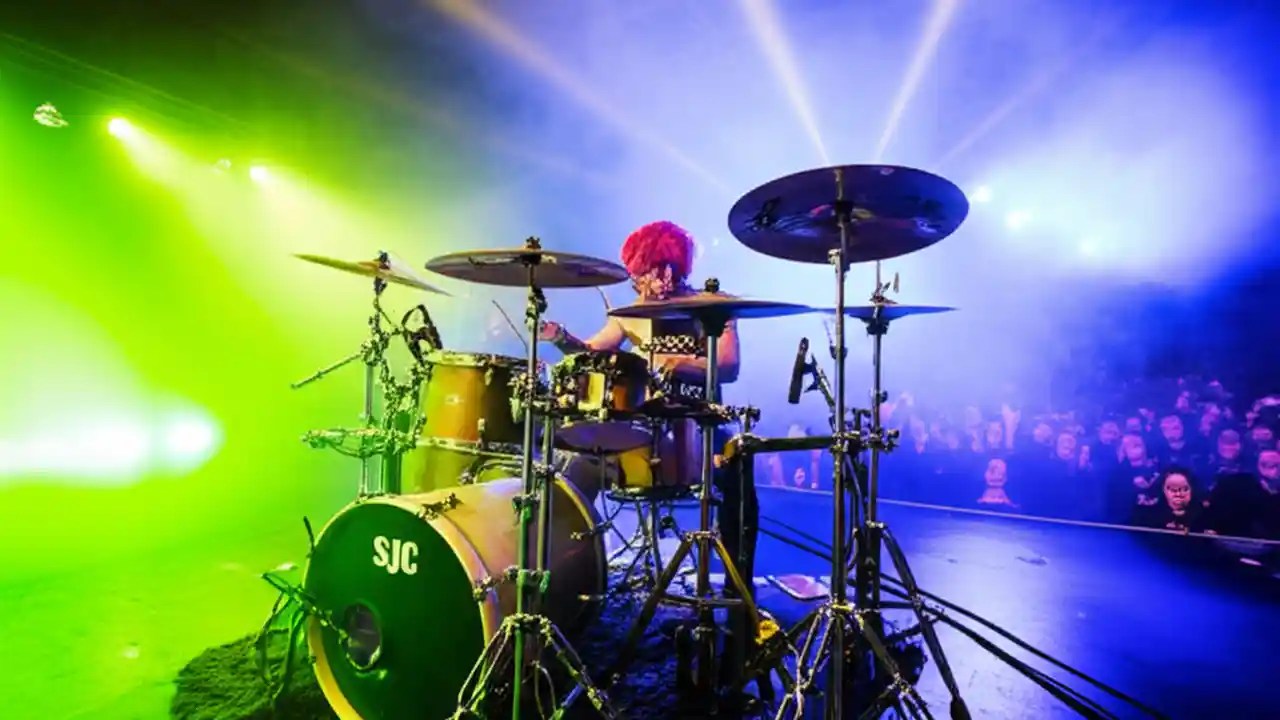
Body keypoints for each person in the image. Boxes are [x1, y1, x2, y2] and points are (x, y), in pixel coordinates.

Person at [537, 220, 751, 577]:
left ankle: (738, 584)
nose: (635, 282)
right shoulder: (629, 316)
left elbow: (728, 367)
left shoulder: (713, 307)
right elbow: (590, 353)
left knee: (740, 462)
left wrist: (674, 362)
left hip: (700, 430)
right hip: (642, 429)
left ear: (667, 269)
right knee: (575, 469)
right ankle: (571, 577)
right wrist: (560, 337)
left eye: (641, 272)